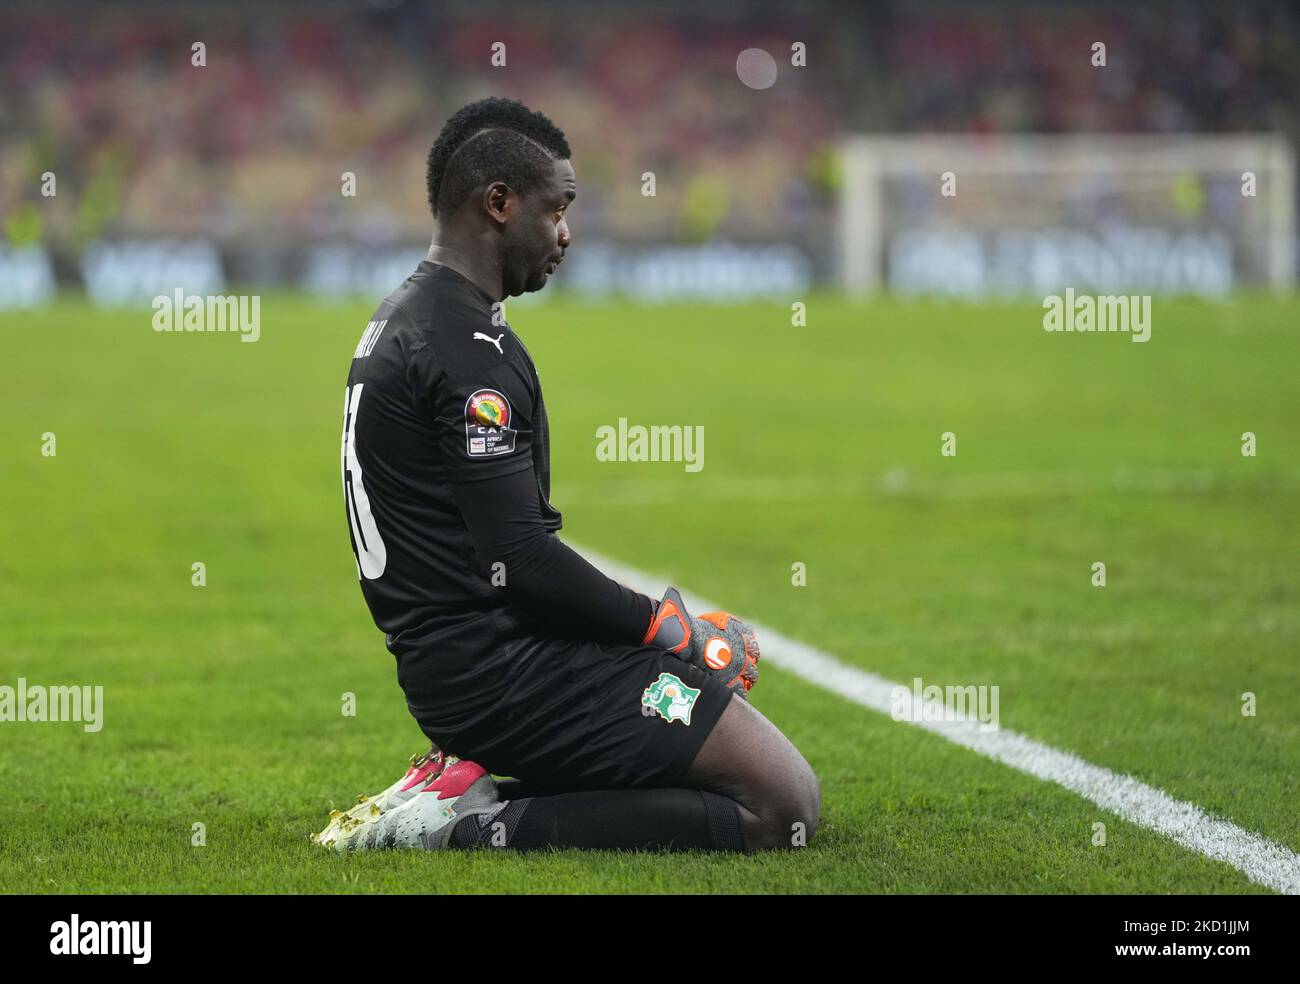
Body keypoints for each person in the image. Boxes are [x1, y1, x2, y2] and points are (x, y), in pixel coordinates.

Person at [317, 97, 819, 853]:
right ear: (498, 203)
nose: (565, 233)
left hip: (466, 658)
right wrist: (667, 628)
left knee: (711, 744)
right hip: (501, 673)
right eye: (557, 209)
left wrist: (653, 640)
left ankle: (454, 787)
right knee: (783, 805)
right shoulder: (463, 349)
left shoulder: (412, 314)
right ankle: (470, 825)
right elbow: (518, 559)